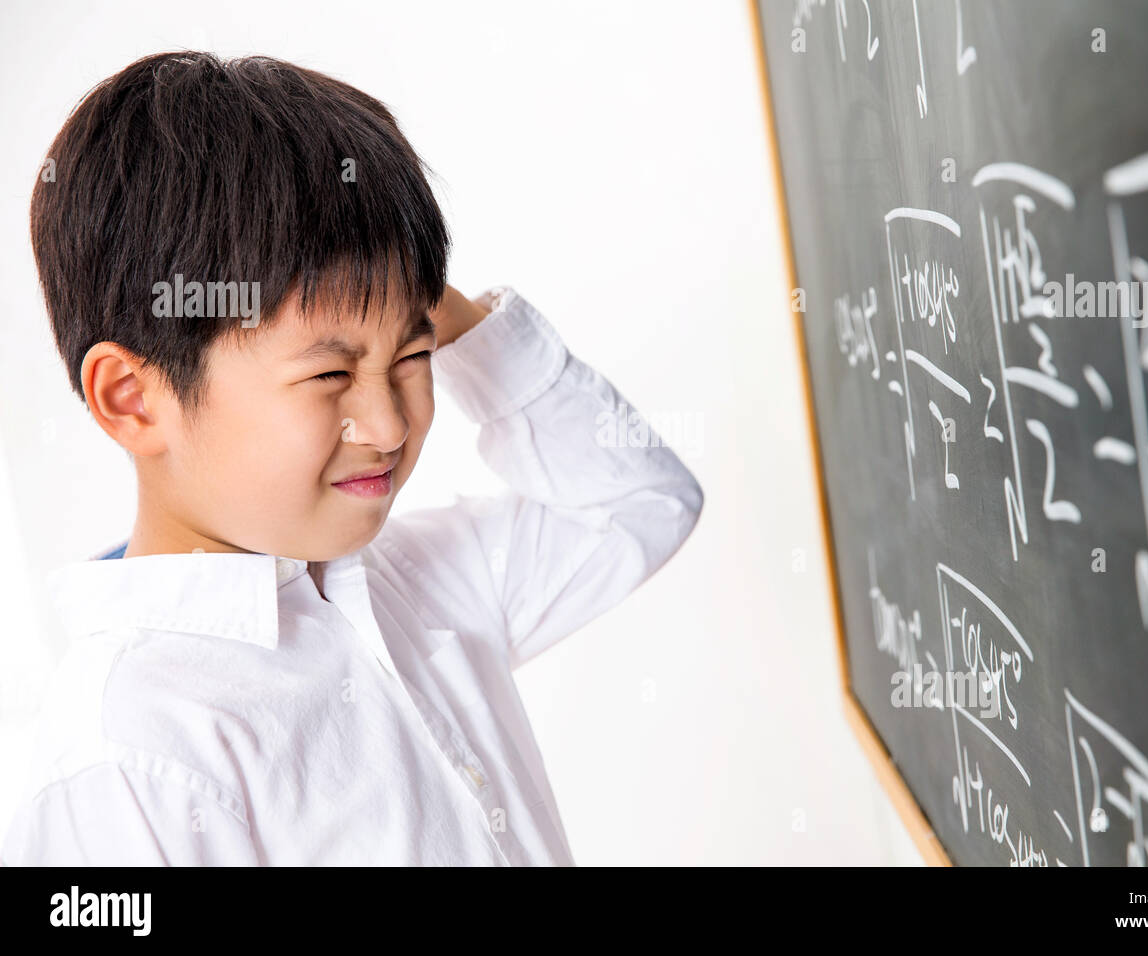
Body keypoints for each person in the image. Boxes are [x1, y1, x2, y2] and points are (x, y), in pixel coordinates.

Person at [1, 51, 703, 865]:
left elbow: (641, 504)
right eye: (331, 372)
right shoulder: (127, 759)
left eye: (413, 354)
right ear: (133, 396)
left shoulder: (406, 581)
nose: (387, 423)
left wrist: (397, 276)